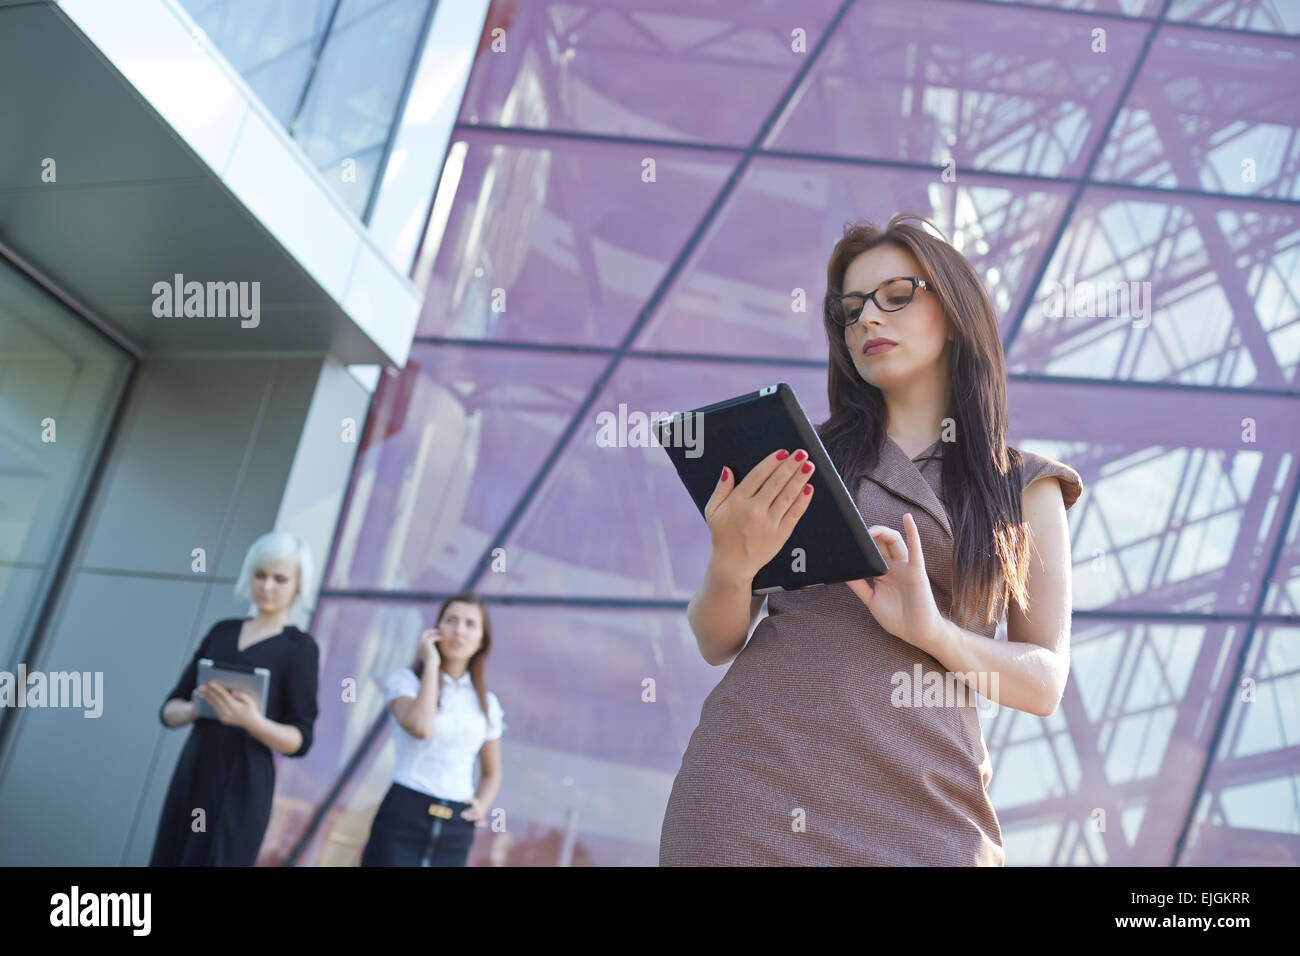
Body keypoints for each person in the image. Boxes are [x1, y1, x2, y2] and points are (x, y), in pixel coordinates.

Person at [659, 213, 1085, 866]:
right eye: (850, 309)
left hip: (928, 815)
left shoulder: (1022, 484)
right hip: (751, 789)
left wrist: (932, 632)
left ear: (954, 307)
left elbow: (1044, 681)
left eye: (895, 296)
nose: (867, 321)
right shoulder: (803, 455)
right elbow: (717, 640)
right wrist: (731, 566)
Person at [150, 532, 320, 866]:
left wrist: (251, 721)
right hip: (196, 768)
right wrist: (197, 707)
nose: (267, 586)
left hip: (244, 782)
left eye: (280, 579)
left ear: (298, 585)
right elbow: (169, 710)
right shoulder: (223, 631)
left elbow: (300, 740)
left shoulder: (300, 649)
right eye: (260, 575)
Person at [361, 593, 505, 867]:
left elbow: (491, 772)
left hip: (456, 825)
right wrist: (432, 665)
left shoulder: (487, 704)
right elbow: (420, 727)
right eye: (451, 620)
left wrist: (481, 805)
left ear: (482, 640)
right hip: (406, 810)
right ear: (436, 629)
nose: (459, 630)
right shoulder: (405, 683)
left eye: (470, 624)